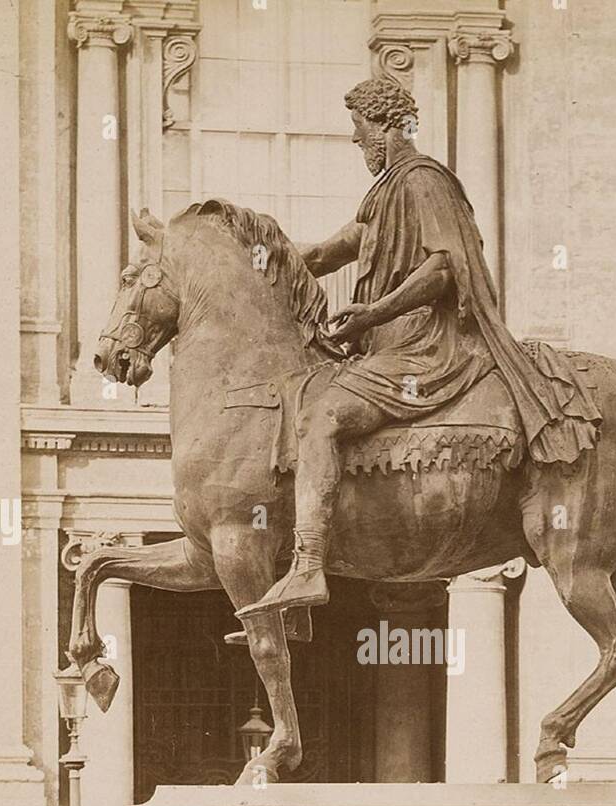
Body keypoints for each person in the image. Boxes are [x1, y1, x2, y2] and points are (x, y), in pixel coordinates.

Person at [240, 77, 593, 617]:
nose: (357, 144)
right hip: (389, 347)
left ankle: (309, 563)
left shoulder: (424, 181)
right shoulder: (384, 193)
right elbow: (334, 249)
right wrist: (264, 259)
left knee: (322, 417)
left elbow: (445, 266)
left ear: (382, 125)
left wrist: (373, 313)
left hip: (427, 349)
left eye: (359, 132)